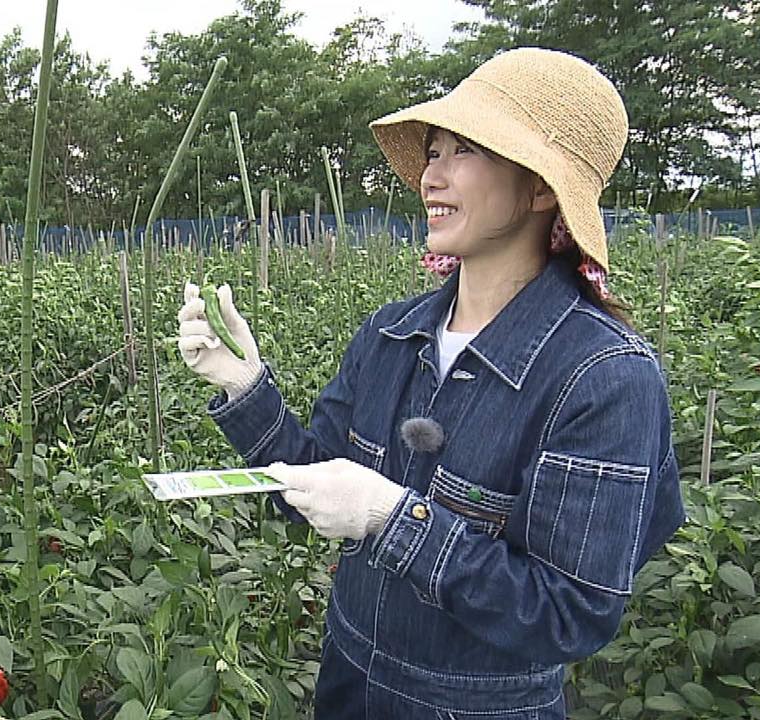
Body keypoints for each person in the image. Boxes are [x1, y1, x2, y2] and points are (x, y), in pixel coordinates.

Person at [177, 48, 684, 719]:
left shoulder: (604, 377)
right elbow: (310, 485)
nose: (431, 176)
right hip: (348, 682)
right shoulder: (391, 336)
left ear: (541, 189)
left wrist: (391, 516)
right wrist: (245, 387)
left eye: (463, 151)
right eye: (433, 152)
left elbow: (568, 613)